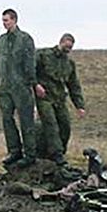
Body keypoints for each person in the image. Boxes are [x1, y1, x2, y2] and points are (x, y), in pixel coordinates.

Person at [0, 8, 38, 168]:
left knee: (26, 120)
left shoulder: (25, 39)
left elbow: (30, 62)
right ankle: (14, 151)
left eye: (6, 20)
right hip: (5, 86)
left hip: (21, 86)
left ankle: (30, 154)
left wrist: (31, 82)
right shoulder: (1, 40)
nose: (4, 23)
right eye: (3, 20)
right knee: (7, 118)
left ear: (14, 20)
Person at [34, 33, 86, 166]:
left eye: (70, 48)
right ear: (61, 42)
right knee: (50, 124)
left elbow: (74, 85)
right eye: (66, 46)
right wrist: (36, 85)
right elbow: (30, 71)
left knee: (65, 125)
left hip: (59, 99)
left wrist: (79, 106)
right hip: (44, 97)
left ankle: (60, 152)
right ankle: (56, 154)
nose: (67, 50)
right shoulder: (43, 55)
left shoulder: (69, 64)